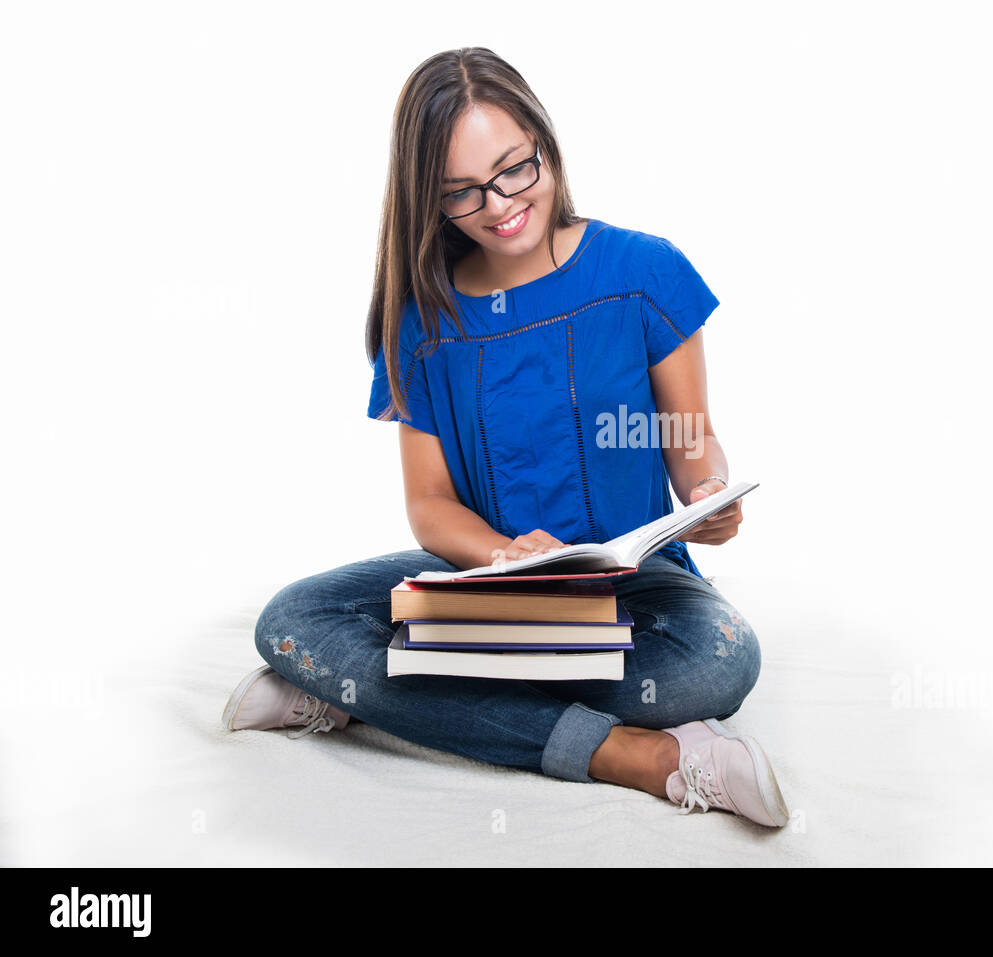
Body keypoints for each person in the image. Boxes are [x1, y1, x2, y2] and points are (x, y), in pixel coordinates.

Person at [221, 47, 788, 827]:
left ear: (545, 145)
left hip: (634, 593)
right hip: (487, 588)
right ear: (430, 199)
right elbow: (429, 506)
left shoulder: (642, 271)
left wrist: (708, 494)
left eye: (515, 169)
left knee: (720, 660)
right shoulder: (424, 323)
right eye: (462, 192)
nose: (499, 203)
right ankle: (635, 754)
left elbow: (692, 442)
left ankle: (370, 694)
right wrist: (501, 555)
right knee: (292, 619)